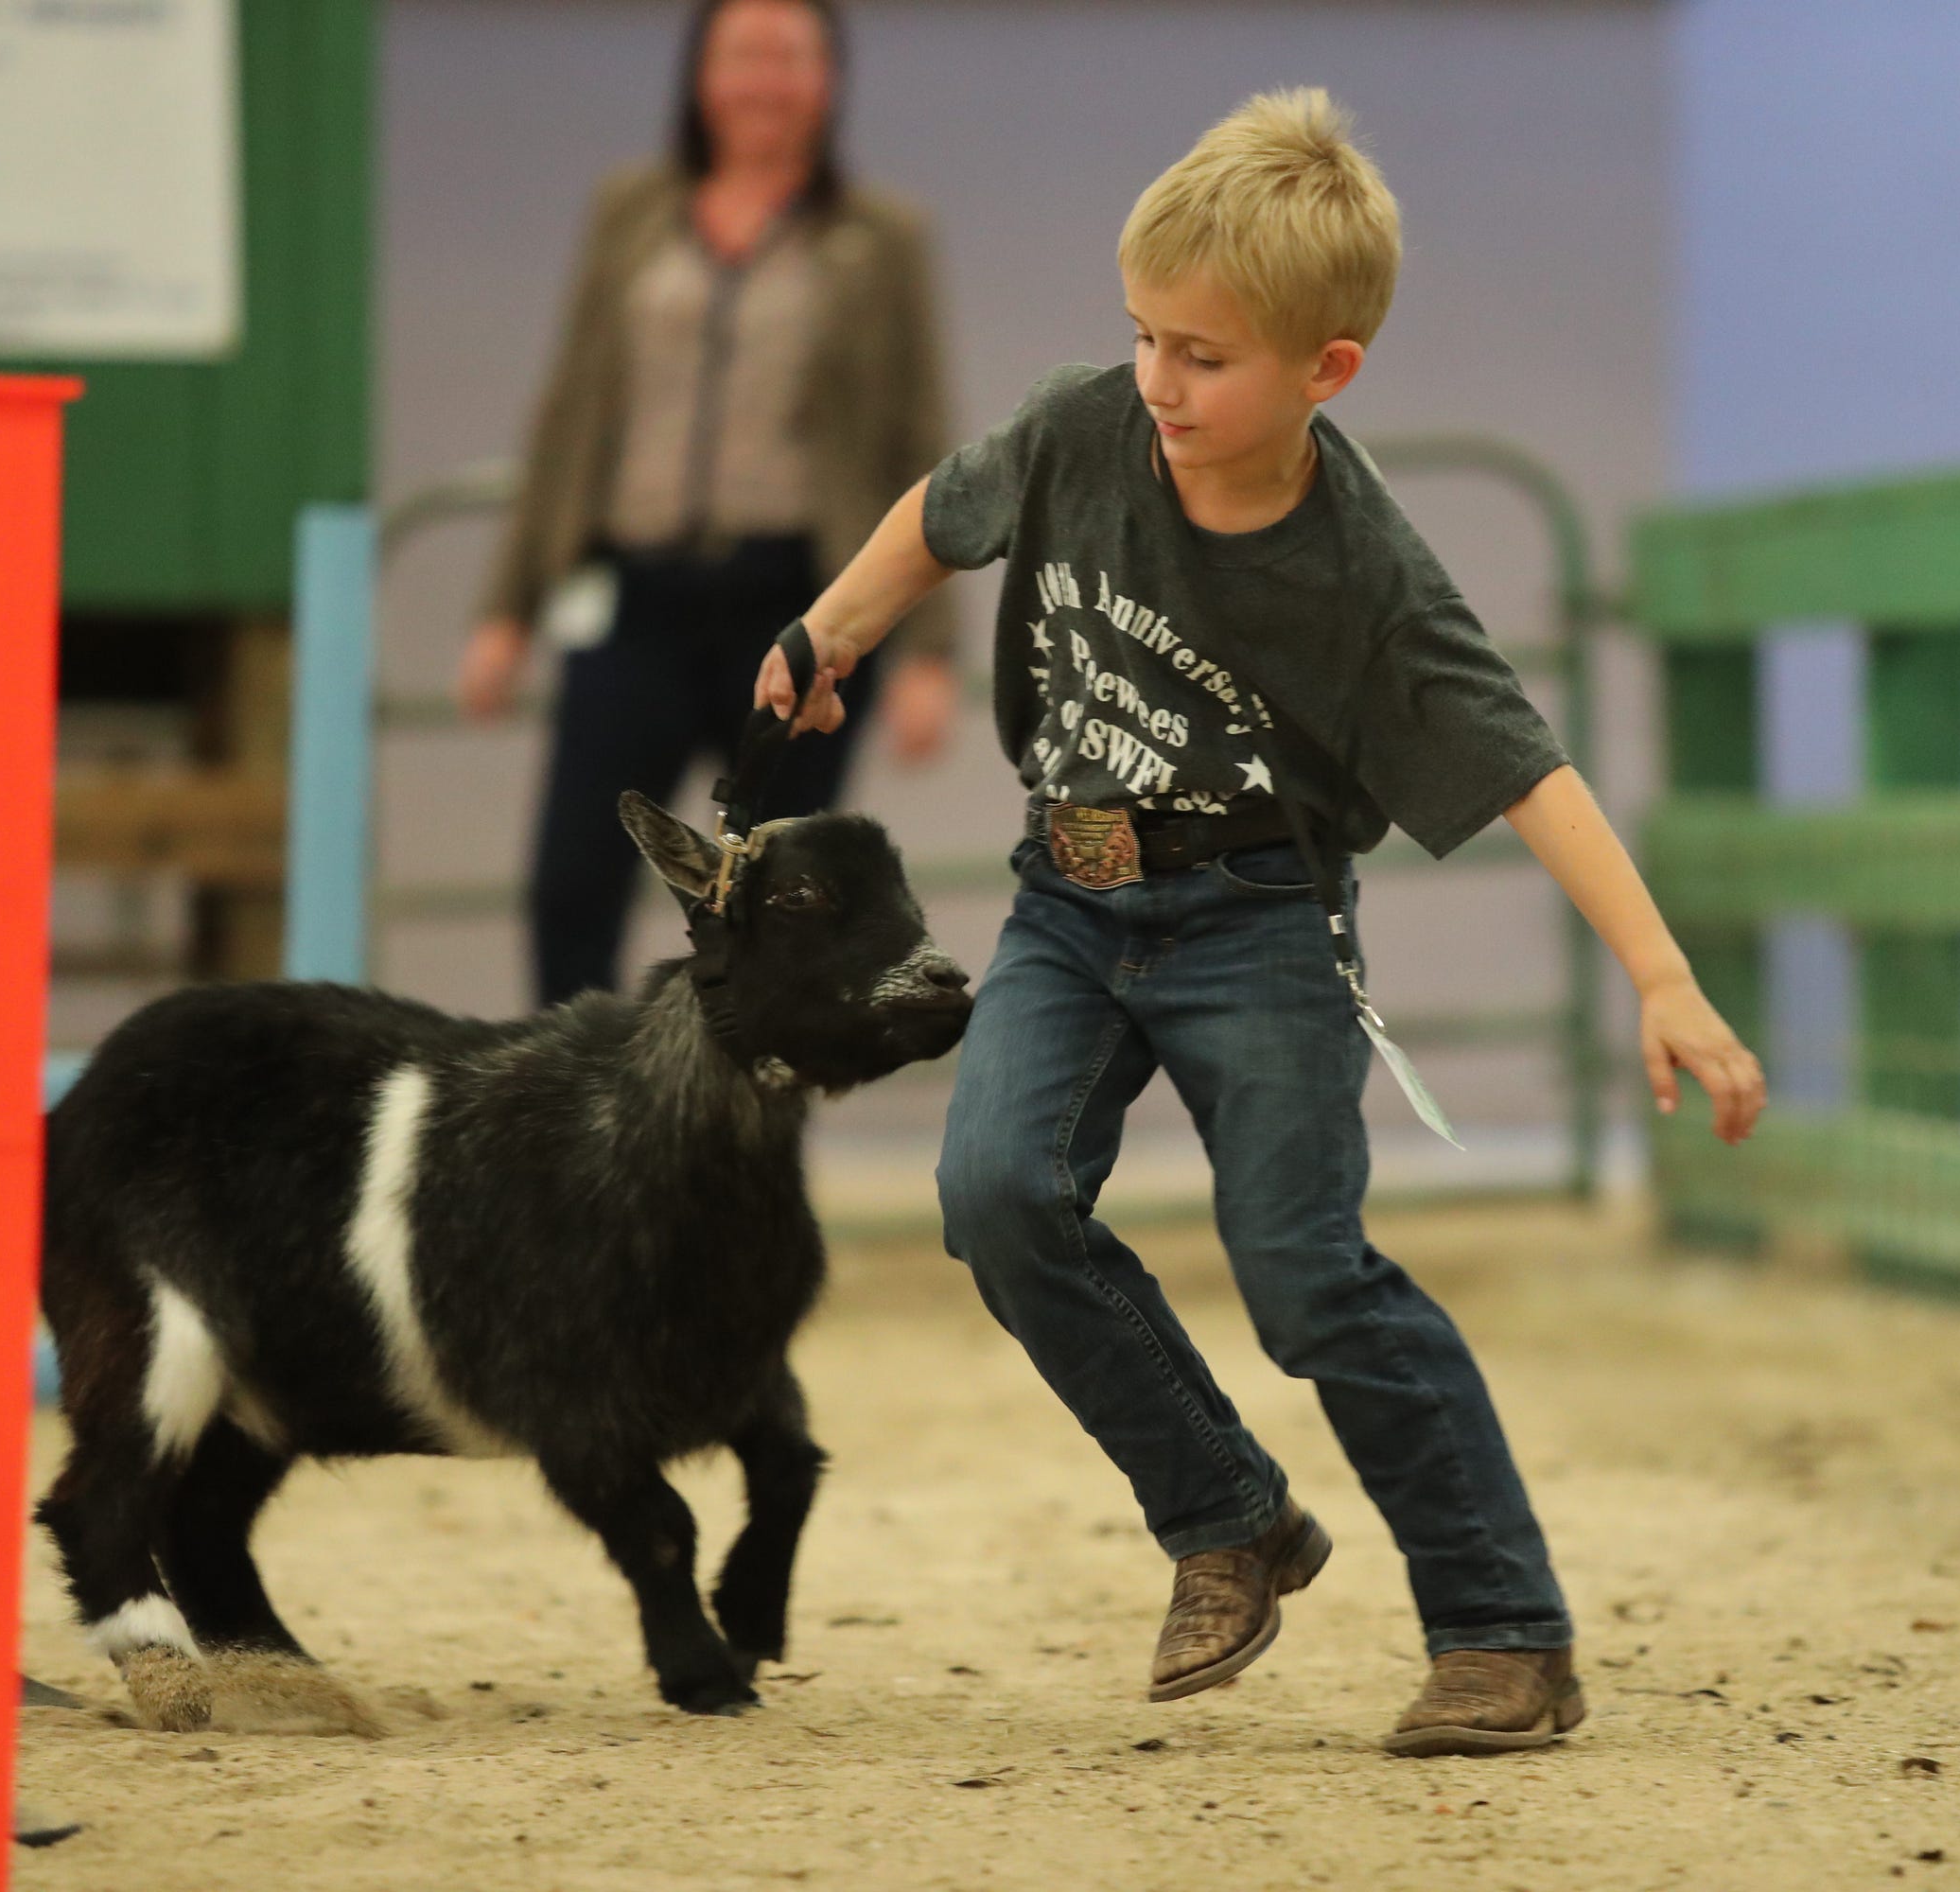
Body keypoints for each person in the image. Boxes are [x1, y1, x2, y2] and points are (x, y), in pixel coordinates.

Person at [758, 89, 1766, 1757]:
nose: (1161, 382)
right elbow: (943, 511)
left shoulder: (1366, 576)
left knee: (1306, 1275)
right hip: (1066, 900)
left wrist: (1663, 978)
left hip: (1255, 922)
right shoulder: (1086, 429)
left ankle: (1504, 1632)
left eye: (1206, 358)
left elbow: (1528, 772)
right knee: (997, 1191)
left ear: (1327, 370)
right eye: (1145, 336)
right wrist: (829, 631)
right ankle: (1226, 1515)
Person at [465, 0, 959, 1006]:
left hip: (799, 611)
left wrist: (928, 649)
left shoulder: (881, 237)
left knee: (781, 905)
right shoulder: (630, 212)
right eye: (743, 55)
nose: (764, 80)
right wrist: (507, 607)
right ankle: (577, 1122)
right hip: (635, 595)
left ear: (828, 79)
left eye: (790, 57)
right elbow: (570, 414)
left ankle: (746, 1131)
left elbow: (922, 438)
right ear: (701, 73)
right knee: (572, 879)